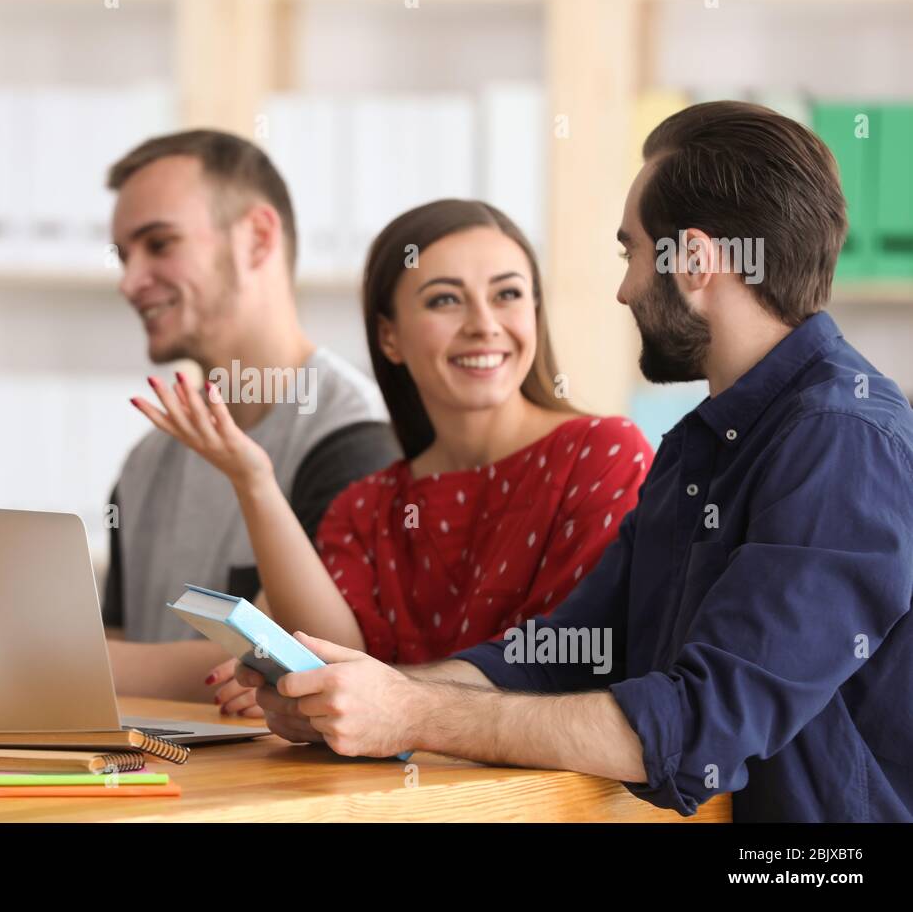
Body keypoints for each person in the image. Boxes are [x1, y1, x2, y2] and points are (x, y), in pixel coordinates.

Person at [235, 101, 913, 823]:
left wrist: (411, 714)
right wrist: (359, 689)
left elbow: (695, 731)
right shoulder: (701, 445)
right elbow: (560, 653)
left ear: (694, 263)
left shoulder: (845, 442)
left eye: (631, 252)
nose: (624, 288)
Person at [136, 199, 652, 715]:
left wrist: (361, 696)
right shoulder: (365, 507)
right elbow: (328, 663)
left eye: (508, 294)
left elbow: (570, 670)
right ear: (390, 337)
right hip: (380, 797)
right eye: (446, 300)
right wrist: (253, 480)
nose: (484, 324)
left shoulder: (603, 454)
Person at [103, 129, 401, 703]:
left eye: (159, 244)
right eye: (122, 255)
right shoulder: (144, 464)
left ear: (258, 237)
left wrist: (52, 660)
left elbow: (298, 659)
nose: (128, 281)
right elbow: (127, 648)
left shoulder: (354, 441)